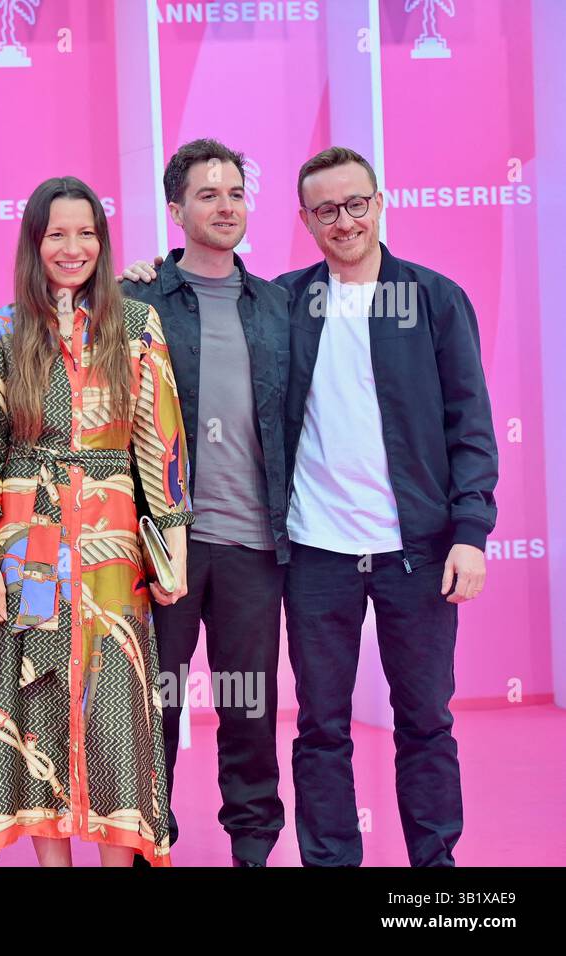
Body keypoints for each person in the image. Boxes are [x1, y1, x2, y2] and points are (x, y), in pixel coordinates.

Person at [0, 176, 193, 867]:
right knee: (39, 700)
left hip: (114, 542)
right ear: (35, 242)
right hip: (27, 543)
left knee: (113, 707)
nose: (73, 247)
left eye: (86, 232)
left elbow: (161, 440)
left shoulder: (139, 325)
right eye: (56, 233)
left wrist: (172, 549)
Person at [276, 146, 497, 867]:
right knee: (321, 727)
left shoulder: (433, 298)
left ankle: (434, 872)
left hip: (421, 553)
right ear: (305, 220)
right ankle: (332, 862)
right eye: (326, 210)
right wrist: (149, 278)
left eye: (355, 204)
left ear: (379, 202)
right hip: (316, 553)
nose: (344, 221)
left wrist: (471, 531)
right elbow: (199, 309)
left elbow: (471, 425)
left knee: (426, 721)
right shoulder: (284, 303)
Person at [120, 139, 290, 866]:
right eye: (209, 195)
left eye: (235, 194)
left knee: (248, 706)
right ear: (176, 209)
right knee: (151, 704)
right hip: (162, 542)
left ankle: (252, 844)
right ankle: (150, 839)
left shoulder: (279, 304)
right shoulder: (138, 298)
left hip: (256, 544)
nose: (226, 206)